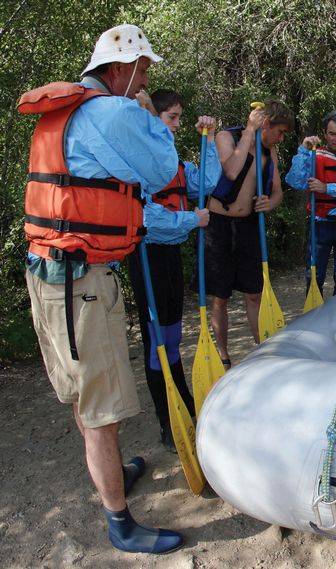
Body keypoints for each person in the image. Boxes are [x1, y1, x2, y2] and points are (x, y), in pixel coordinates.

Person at [21, 24, 183, 553]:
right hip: (80, 285)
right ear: (121, 68)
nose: (146, 80)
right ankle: (120, 523)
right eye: (143, 71)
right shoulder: (113, 112)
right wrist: (147, 114)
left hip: (50, 276)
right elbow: (161, 170)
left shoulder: (63, 111)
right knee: (102, 411)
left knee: (84, 395)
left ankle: (112, 472)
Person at [127, 89, 221, 451]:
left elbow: (207, 183)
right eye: (172, 118)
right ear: (154, 121)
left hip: (167, 258)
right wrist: (191, 220)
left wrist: (209, 141)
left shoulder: (174, 164)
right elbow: (147, 218)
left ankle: (182, 401)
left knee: (172, 338)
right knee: (157, 343)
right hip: (147, 256)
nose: (179, 125)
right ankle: (168, 422)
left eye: (180, 117)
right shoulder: (140, 167)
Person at [201, 100, 294, 367]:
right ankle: (223, 355)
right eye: (280, 131)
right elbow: (230, 170)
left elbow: (277, 193)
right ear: (266, 124)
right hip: (219, 224)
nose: (281, 137)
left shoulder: (270, 151)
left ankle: (262, 350)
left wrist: (270, 203)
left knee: (254, 292)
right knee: (221, 297)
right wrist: (248, 133)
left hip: (248, 226)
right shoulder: (225, 137)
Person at [285, 111, 336, 295]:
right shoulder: (314, 154)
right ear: (325, 133)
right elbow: (295, 181)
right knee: (314, 274)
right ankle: (314, 317)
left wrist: (326, 188)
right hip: (320, 222)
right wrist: (303, 150)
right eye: (332, 134)